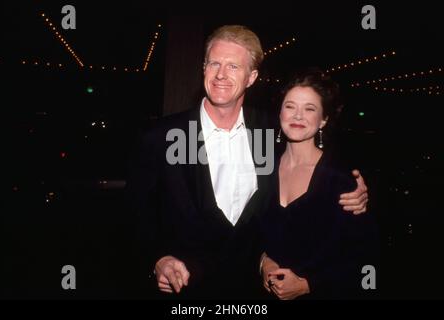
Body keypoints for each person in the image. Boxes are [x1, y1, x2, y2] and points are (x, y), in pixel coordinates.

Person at [127, 25, 368, 299]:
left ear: (251, 77)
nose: (221, 74)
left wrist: (354, 187)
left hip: (252, 292)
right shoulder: (160, 137)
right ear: (203, 67)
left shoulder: (269, 131)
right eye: (214, 63)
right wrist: (158, 259)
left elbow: (314, 153)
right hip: (185, 293)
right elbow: (136, 216)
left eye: (233, 66)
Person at [260, 68, 378, 300]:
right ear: (280, 112)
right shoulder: (260, 169)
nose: (298, 116)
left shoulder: (341, 181)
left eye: (310, 109)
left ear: (323, 119)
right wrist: (263, 261)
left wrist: (308, 284)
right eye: (290, 106)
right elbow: (248, 233)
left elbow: (365, 260)